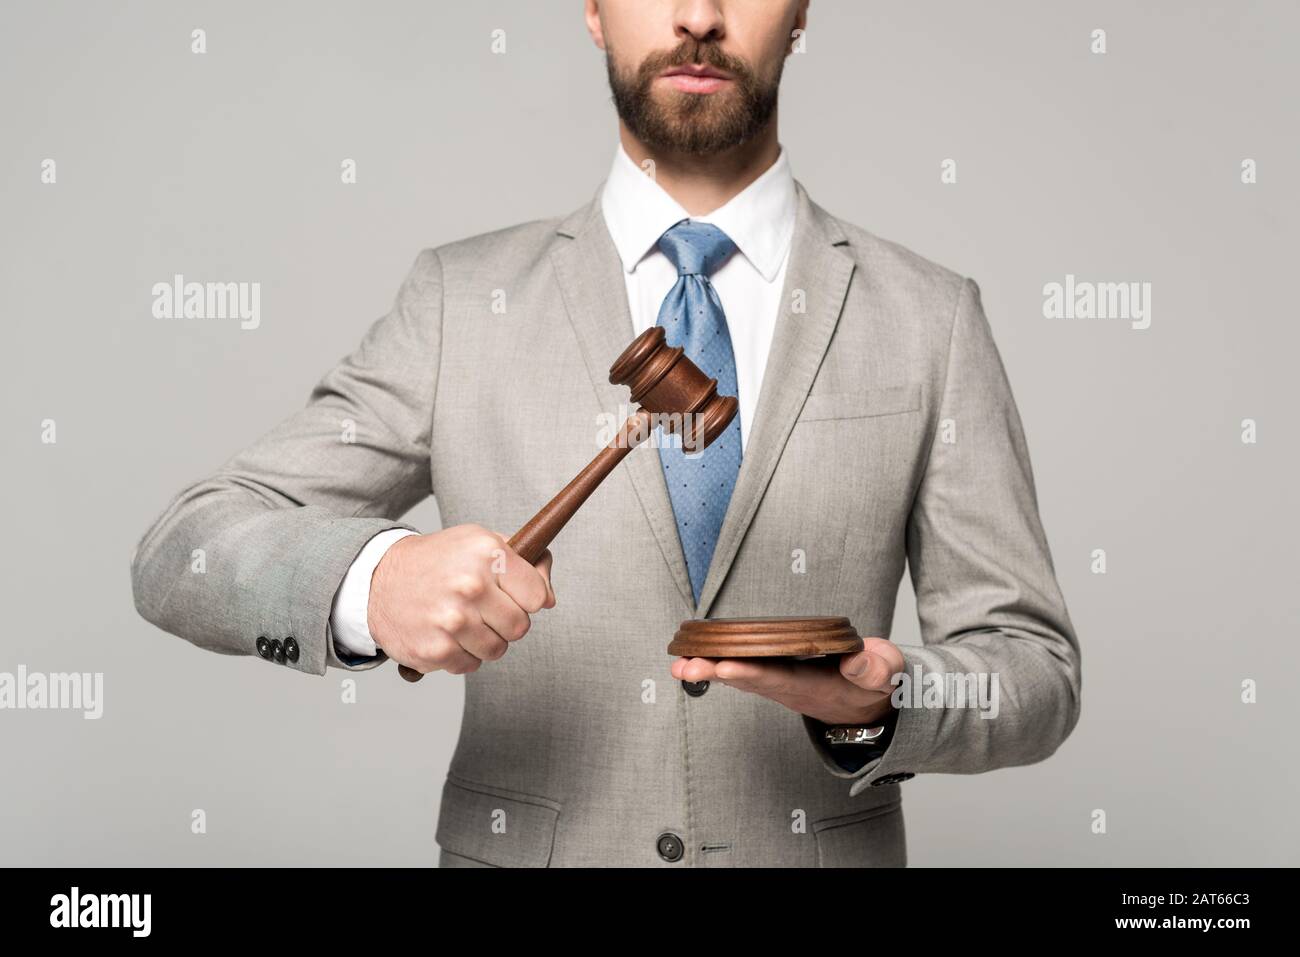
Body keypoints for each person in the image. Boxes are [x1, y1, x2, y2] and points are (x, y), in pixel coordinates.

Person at [132, 0, 1081, 867]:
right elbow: (185, 550)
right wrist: (375, 581)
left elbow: (1032, 673)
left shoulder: (928, 316)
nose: (699, 16)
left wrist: (891, 699)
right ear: (592, 10)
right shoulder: (463, 301)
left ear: (801, 12)